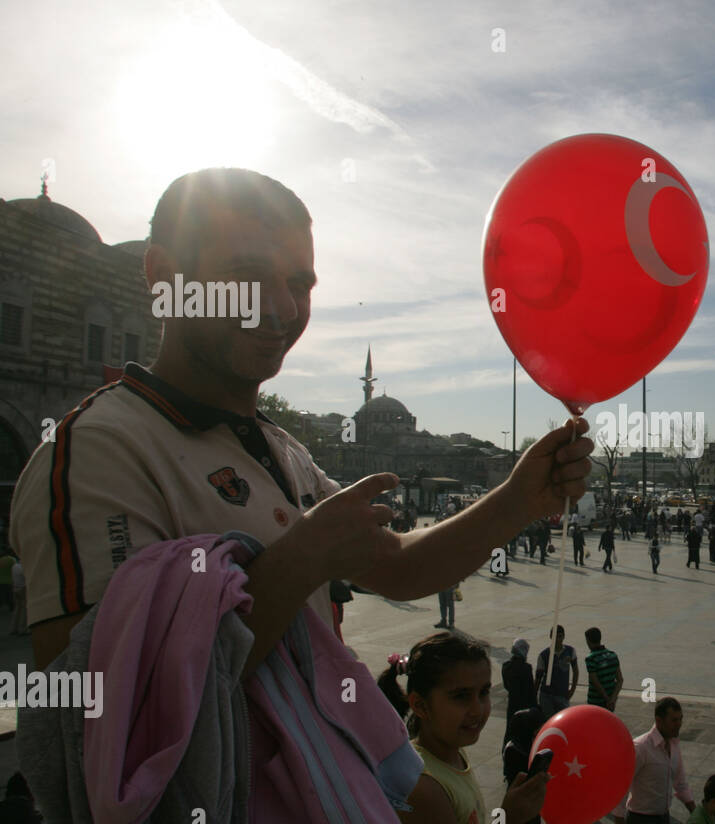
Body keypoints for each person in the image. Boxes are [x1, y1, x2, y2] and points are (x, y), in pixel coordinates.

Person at [10, 168, 593, 733]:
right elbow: (100, 715)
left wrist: (519, 498)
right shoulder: (99, 452)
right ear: (164, 277)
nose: (284, 310)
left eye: (299, 285)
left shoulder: (282, 451)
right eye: (248, 275)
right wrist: (304, 558)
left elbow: (397, 564)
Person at [378, 634, 551, 824]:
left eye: (484, 692)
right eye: (461, 696)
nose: (477, 710)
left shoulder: (453, 752)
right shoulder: (423, 788)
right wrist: (509, 820)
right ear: (420, 705)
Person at [612, 698, 696, 824]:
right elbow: (620, 788)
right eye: (674, 720)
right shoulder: (641, 748)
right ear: (659, 720)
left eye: (680, 719)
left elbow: (680, 783)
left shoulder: (673, 745)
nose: (679, 724)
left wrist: (696, 813)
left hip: (663, 821)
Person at [501, 707, 552, 824]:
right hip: (516, 809)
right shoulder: (514, 750)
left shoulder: (526, 745)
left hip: (525, 809)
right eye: (536, 731)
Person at [534, 625, 578, 720]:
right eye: (555, 637)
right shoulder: (543, 655)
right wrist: (534, 695)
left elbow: (576, 671)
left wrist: (572, 689)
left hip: (563, 695)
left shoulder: (570, 651)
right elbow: (538, 678)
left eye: (560, 636)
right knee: (549, 722)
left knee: (564, 722)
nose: (558, 639)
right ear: (550, 637)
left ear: (564, 636)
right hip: (546, 696)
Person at [500, 638, 534, 751]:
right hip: (525, 705)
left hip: (512, 704)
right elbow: (530, 690)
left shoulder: (506, 667)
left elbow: (506, 686)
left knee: (510, 730)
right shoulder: (526, 668)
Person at [584, 627, 623, 711]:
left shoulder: (591, 658)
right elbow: (620, 680)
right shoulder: (613, 655)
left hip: (595, 701)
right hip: (611, 702)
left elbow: (595, 682)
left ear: (588, 641)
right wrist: (612, 700)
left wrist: (606, 699)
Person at [8, 558, 27, 636]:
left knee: (17, 609)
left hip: (15, 588)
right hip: (23, 589)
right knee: (24, 610)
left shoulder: (14, 566)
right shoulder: (23, 567)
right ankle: (22, 629)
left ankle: (13, 628)